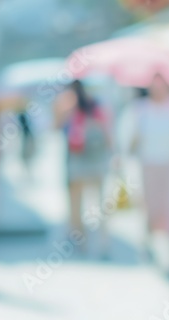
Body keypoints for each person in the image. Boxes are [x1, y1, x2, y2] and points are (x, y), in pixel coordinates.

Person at [126, 75, 169, 277]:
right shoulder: (141, 110)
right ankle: (148, 246)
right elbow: (132, 139)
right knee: (150, 207)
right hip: (149, 164)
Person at [57, 80, 113, 257]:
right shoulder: (97, 106)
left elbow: (55, 125)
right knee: (100, 202)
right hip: (96, 160)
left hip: (77, 160)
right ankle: (103, 242)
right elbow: (107, 134)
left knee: (76, 203)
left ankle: (79, 239)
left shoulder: (67, 104)